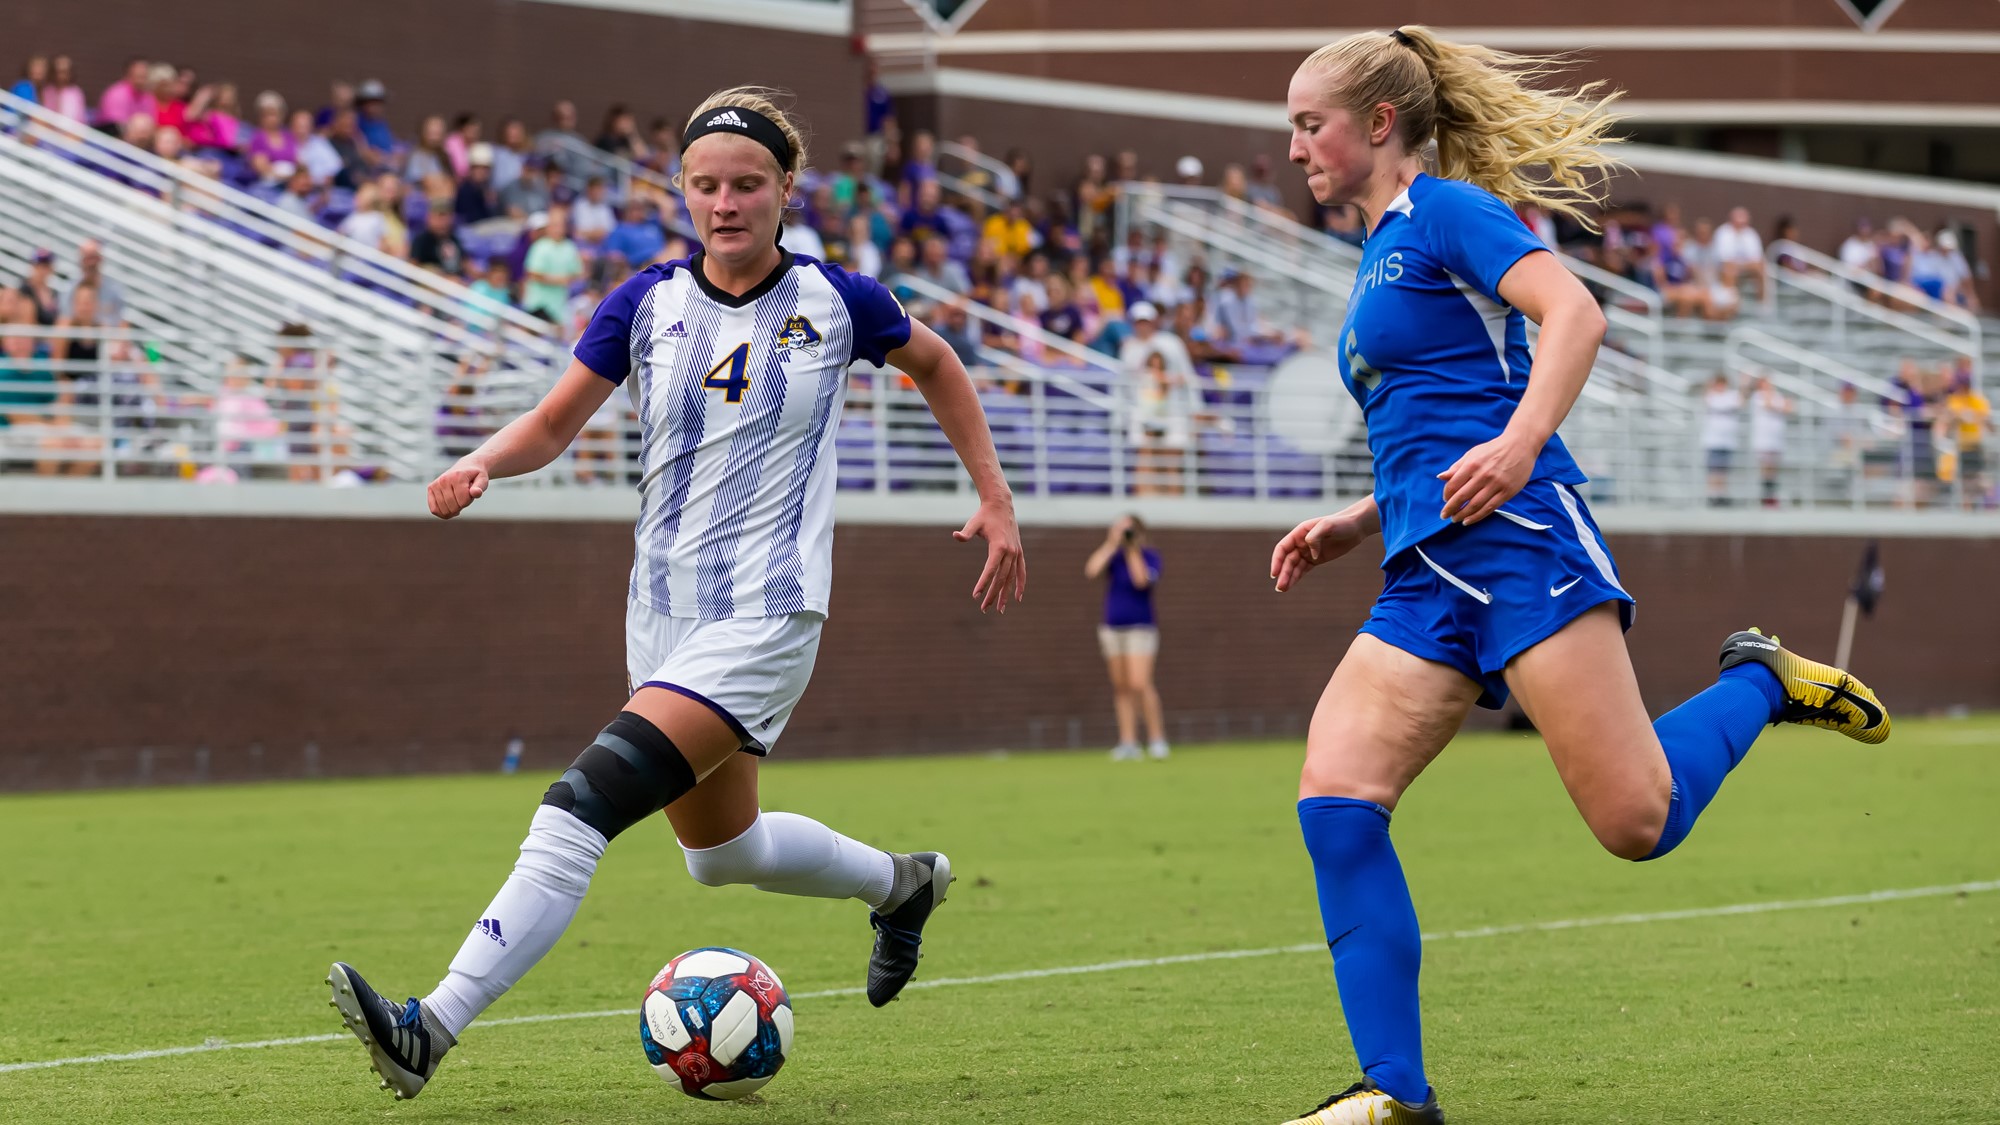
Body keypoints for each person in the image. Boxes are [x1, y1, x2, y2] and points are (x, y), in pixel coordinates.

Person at [327, 85, 1026, 1102]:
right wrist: (481, 463)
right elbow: (554, 421)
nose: (724, 203)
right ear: (681, 193)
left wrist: (994, 498)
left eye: (746, 184)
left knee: (577, 810)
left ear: (786, 189)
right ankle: (902, 883)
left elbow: (938, 363)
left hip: (766, 614)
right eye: (704, 186)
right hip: (659, 612)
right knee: (719, 853)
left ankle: (430, 1026)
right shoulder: (645, 304)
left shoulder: (838, 302)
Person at [1270, 28, 1890, 1125]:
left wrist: (1517, 444)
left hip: (1518, 540)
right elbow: (1429, 414)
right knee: (1335, 803)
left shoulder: (1446, 211)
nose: (1292, 148)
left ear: (1374, 125)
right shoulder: (1372, 251)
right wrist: (1359, 519)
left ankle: (1759, 678)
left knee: (1634, 821)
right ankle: (1394, 1097)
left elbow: (1574, 313)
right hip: (1421, 568)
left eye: (1306, 123)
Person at [1085, 515, 1169, 761]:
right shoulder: (1113, 557)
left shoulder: (1150, 556)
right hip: (1113, 628)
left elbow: (1141, 580)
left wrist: (1133, 549)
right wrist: (1112, 544)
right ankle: (1128, 741)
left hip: (1140, 628)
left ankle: (1156, 739)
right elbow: (1091, 570)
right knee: (1121, 687)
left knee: (1140, 683)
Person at [1940, 359, 1990, 508]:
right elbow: (1948, 421)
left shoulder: (1978, 400)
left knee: (1980, 482)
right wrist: (1958, 417)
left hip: (1975, 446)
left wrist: (1973, 416)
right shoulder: (1954, 400)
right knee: (1962, 485)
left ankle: (1984, 509)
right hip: (1960, 447)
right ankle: (1966, 509)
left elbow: (1986, 420)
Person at [520, 208, 584, 321]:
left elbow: (577, 273)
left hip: (560, 306)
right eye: (554, 225)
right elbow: (533, 274)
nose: (557, 229)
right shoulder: (539, 246)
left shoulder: (570, 247)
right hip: (538, 305)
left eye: (560, 225)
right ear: (548, 227)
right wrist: (559, 280)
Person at [1747, 374, 1791, 507]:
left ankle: (1771, 496)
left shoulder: (1777, 395)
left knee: (1773, 470)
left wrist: (1778, 405)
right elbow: (1769, 405)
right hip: (1763, 439)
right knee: (1765, 468)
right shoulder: (1757, 396)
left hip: (1776, 440)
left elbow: (1789, 408)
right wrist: (1778, 406)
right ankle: (1766, 497)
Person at [1700, 372, 1742, 506]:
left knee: (1723, 470)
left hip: (1727, 440)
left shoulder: (1730, 396)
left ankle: (1721, 494)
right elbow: (1708, 398)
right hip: (1714, 440)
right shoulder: (1712, 396)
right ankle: (1713, 495)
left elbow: (1740, 402)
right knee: (1714, 469)